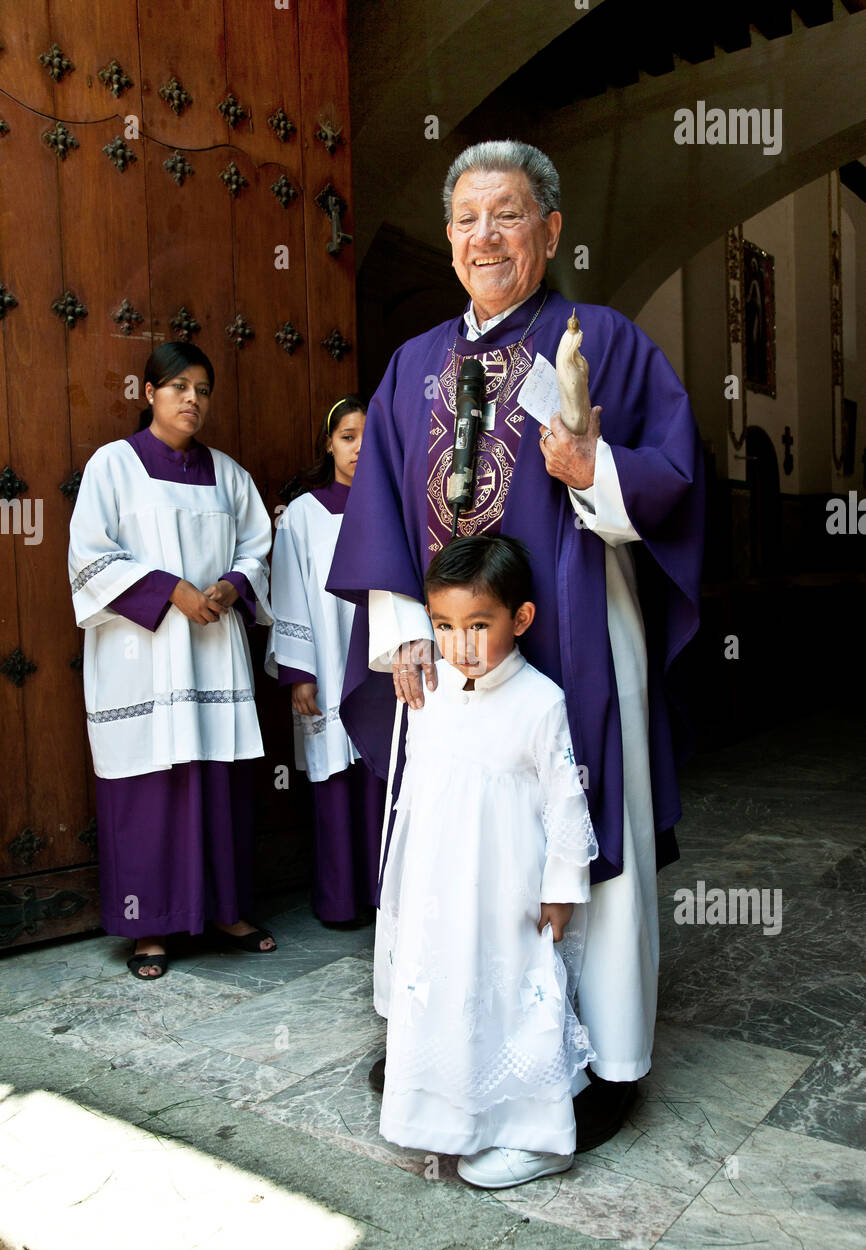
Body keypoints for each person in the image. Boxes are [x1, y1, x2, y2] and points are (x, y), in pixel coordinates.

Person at [327, 139, 705, 1149]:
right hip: (446, 669)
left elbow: (672, 478)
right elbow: (378, 513)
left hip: (575, 644)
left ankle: (600, 1061)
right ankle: (437, 1042)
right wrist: (401, 631)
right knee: (451, 852)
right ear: (449, 237)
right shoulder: (412, 366)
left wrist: (593, 467)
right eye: (465, 219)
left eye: (506, 215)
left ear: (547, 228)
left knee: (567, 837)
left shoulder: (604, 340)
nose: (483, 235)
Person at [377, 535, 597, 1187]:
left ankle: (540, 1135)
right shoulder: (430, 691)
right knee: (448, 994)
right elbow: (417, 792)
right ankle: (451, 1118)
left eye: (479, 625)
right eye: (443, 626)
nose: (460, 644)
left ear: (520, 620)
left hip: (506, 890)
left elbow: (564, 801)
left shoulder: (540, 702)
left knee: (511, 998)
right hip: (440, 885)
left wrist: (561, 889)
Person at [68, 342, 276, 979]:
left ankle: (225, 910)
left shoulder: (230, 475)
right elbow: (89, 557)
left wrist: (232, 585)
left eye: (203, 389)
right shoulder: (113, 467)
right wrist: (171, 590)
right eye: (179, 386)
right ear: (149, 393)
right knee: (151, 785)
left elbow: (258, 548)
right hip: (144, 655)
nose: (192, 399)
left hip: (213, 651)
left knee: (219, 780)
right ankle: (149, 928)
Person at [266, 397, 386, 926]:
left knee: (382, 780)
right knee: (336, 779)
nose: (358, 447)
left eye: (367, 436)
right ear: (328, 444)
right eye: (347, 436)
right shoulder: (303, 514)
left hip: (385, 664)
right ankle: (340, 901)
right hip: (328, 662)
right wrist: (299, 672)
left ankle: (387, 897)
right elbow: (289, 593)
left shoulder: (396, 504)